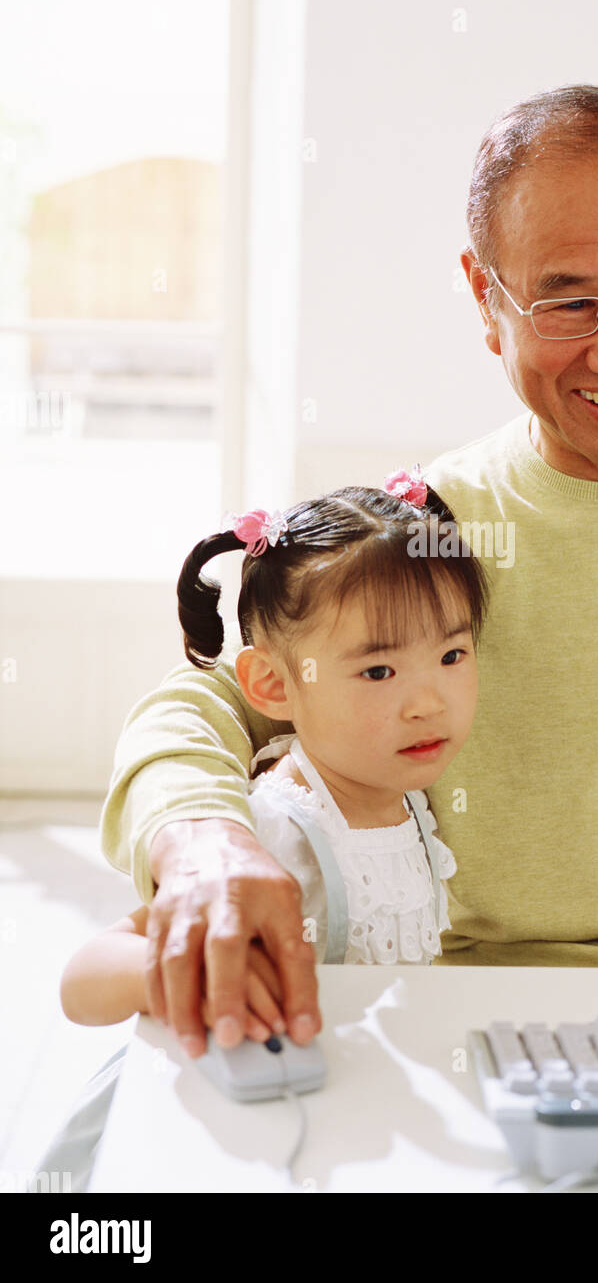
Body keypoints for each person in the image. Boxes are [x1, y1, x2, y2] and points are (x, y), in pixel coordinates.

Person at [99, 84, 598, 1061]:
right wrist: (198, 838)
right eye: (567, 302)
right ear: (486, 298)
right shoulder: (423, 531)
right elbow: (202, 703)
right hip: (481, 1026)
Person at [31, 473, 487, 1189]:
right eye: (377, 670)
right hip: (219, 1122)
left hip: (339, 1110)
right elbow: (83, 978)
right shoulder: (279, 826)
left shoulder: (407, 800)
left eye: (453, 656)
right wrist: (197, 978)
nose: (429, 702)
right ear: (272, 686)